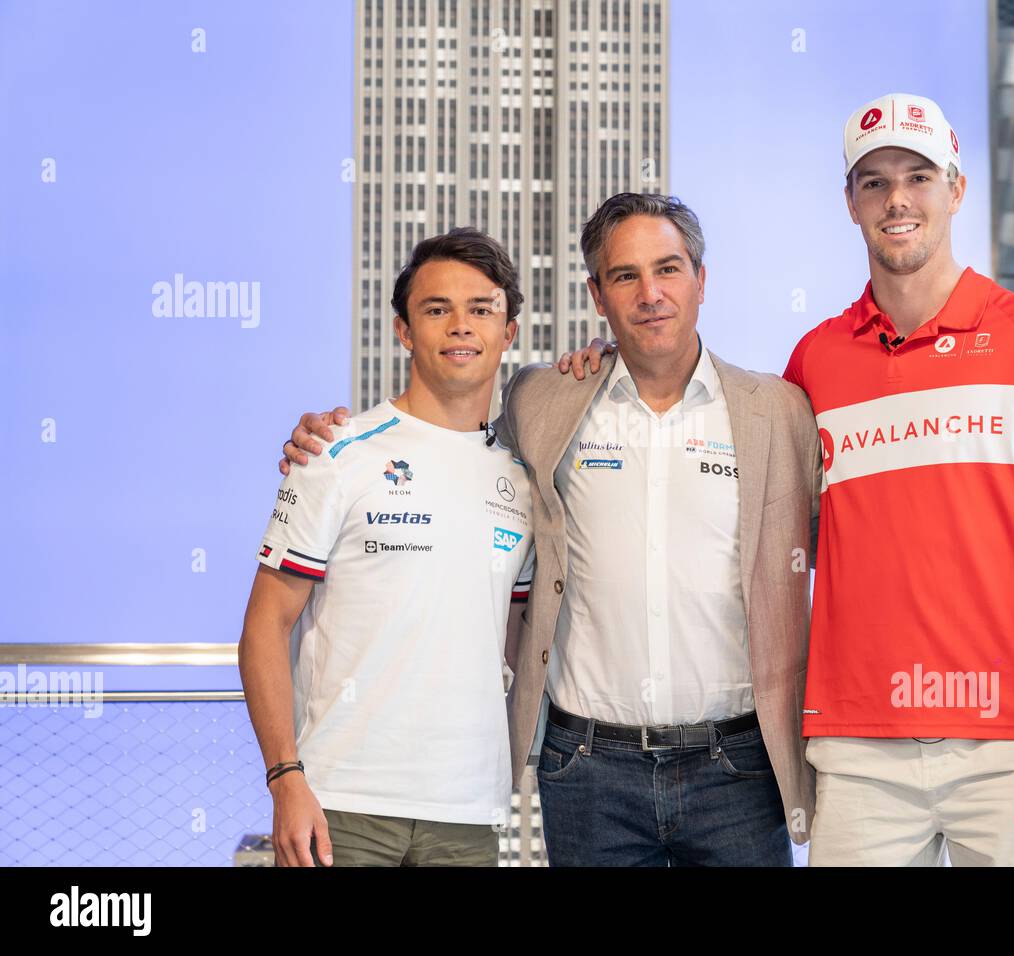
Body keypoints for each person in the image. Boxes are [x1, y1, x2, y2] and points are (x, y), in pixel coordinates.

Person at [562, 93, 1014, 866]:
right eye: (874, 181)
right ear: (850, 202)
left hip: (1008, 738)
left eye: (918, 177)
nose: (898, 200)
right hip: (855, 750)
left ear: (956, 191)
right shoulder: (813, 365)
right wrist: (598, 365)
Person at [280, 194, 823, 866]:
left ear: (702, 280)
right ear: (598, 294)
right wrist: (329, 437)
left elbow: (839, 552)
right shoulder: (544, 399)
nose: (651, 294)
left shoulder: (779, 411)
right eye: (625, 276)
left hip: (739, 769)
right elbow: (447, 447)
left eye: (669, 269)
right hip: (588, 770)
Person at [239, 228, 534, 867]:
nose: (461, 326)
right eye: (437, 309)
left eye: (481, 309)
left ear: (508, 332)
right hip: (339, 801)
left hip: (470, 811)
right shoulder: (336, 454)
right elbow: (265, 624)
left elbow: (511, 639)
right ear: (404, 331)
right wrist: (285, 777)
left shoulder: (522, 480)